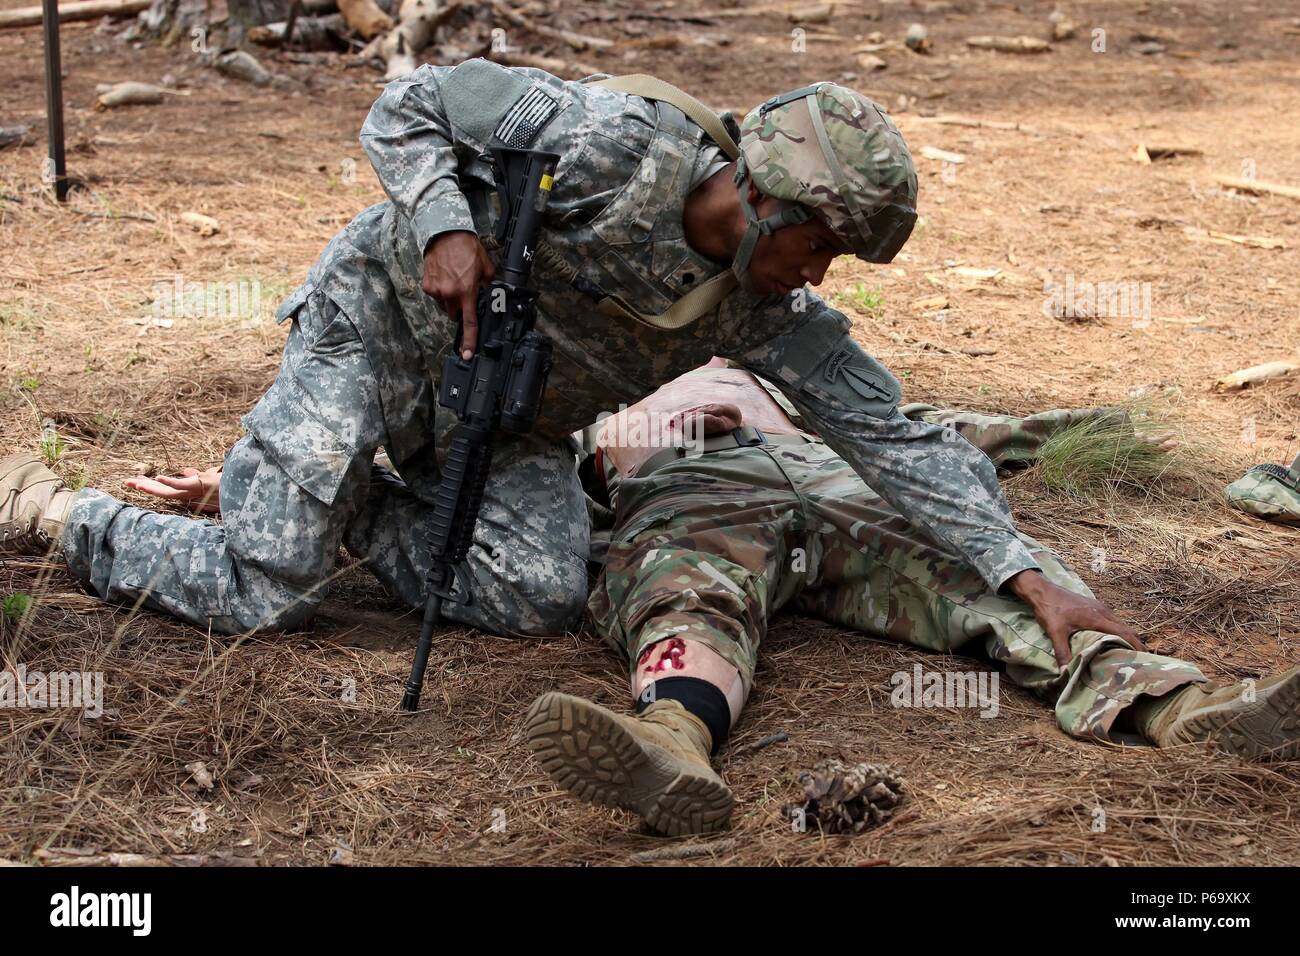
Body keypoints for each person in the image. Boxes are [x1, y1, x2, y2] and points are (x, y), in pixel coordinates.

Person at [1, 65, 1056, 670]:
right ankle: (60, 512)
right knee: (265, 587)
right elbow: (407, 103)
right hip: (376, 329)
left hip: (503, 418)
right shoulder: (606, 141)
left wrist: (1028, 573)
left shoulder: (769, 310)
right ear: (762, 197)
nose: (820, 271)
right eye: (817, 242)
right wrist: (441, 225)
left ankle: (350, 508)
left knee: (543, 588)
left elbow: (895, 437)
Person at [522, 361, 1300, 836]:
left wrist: (1089, 428)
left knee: (994, 569)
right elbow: (550, 491)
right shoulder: (603, 386)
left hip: (838, 476)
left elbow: (921, 435)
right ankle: (672, 737)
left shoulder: (786, 366)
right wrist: (635, 450)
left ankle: (1177, 706)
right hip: (693, 485)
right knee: (683, 585)